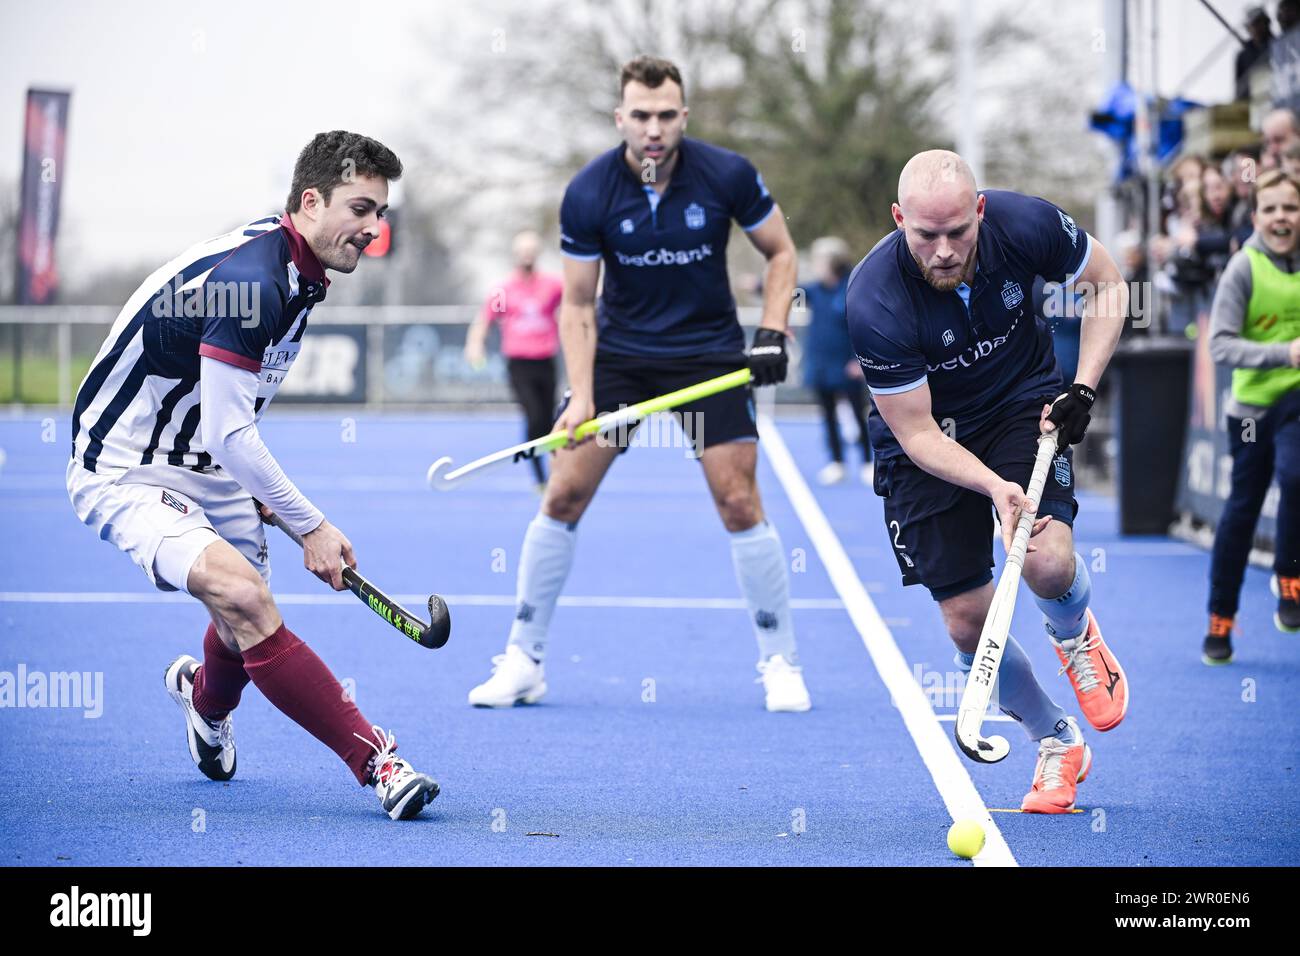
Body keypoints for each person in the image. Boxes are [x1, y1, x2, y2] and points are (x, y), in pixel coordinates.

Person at [66, 131, 440, 821]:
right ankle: (378, 761)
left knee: (243, 621)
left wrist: (256, 488)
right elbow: (231, 431)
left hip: (205, 458)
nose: (373, 229)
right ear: (310, 201)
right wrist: (311, 525)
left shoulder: (301, 273)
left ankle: (204, 703)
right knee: (244, 598)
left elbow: (231, 419)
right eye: (361, 209)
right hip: (127, 466)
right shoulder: (253, 280)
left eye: (382, 213)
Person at [467, 55, 811, 712]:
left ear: (683, 115)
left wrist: (772, 331)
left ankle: (780, 660)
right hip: (621, 358)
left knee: (738, 501)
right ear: (620, 118)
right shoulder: (590, 191)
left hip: (709, 358)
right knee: (563, 494)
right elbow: (576, 301)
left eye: (665, 115)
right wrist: (585, 394)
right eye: (641, 116)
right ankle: (523, 659)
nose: (653, 128)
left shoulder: (727, 174)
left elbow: (782, 252)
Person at [846, 150, 1131, 813]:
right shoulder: (874, 299)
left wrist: (1083, 387)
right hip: (924, 438)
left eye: (958, 233)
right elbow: (918, 435)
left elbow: (1108, 284)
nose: (944, 251)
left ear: (980, 210)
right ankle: (1056, 739)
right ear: (898, 220)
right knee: (967, 622)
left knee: (1047, 564)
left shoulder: (1025, 224)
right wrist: (993, 488)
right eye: (925, 236)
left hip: (1017, 405)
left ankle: (1074, 635)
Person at [1202, 169, 1300, 664]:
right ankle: (1220, 620)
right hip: (1250, 410)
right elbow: (1219, 345)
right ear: (1257, 216)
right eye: (1272, 209)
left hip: (1297, 401)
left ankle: (1290, 582)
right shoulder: (1243, 269)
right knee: (1243, 507)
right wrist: (1284, 353)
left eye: (1291, 208)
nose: (1282, 218)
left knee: (1296, 474)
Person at [464, 230, 563, 490]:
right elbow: (486, 319)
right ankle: (540, 477)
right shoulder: (504, 290)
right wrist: (475, 344)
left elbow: (576, 302)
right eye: (523, 251)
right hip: (519, 363)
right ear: (515, 254)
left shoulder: (551, 286)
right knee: (533, 416)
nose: (527, 256)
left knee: (549, 418)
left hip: (546, 361)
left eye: (532, 250)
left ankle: (555, 469)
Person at [801, 236, 872, 486]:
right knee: (827, 414)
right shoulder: (813, 291)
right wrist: (758, 286)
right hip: (820, 364)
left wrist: (858, 360)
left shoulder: (853, 286)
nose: (816, 265)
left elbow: (864, 324)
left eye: (820, 260)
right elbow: (786, 295)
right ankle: (837, 463)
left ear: (833, 262)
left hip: (847, 365)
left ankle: (867, 461)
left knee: (859, 412)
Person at [1235, 7, 1274, 102]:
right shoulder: (1243, 55)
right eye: (1254, 24)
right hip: (1254, 103)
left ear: (1267, 23)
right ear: (1248, 28)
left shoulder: (1280, 46)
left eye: (1261, 22)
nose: (1257, 27)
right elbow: (1239, 89)